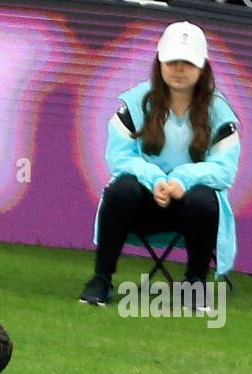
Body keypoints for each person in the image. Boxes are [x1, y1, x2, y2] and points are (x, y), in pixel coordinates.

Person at [79, 21, 241, 306]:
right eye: (172, 61)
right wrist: (154, 179)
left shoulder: (220, 112)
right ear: (160, 62)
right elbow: (119, 156)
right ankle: (101, 279)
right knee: (121, 190)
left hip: (188, 208)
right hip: (145, 202)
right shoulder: (135, 101)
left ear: (202, 66)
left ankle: (195, 283)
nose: (179, 69)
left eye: (188, 63)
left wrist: (183, 180)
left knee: (205, 199)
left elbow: (224, 169)